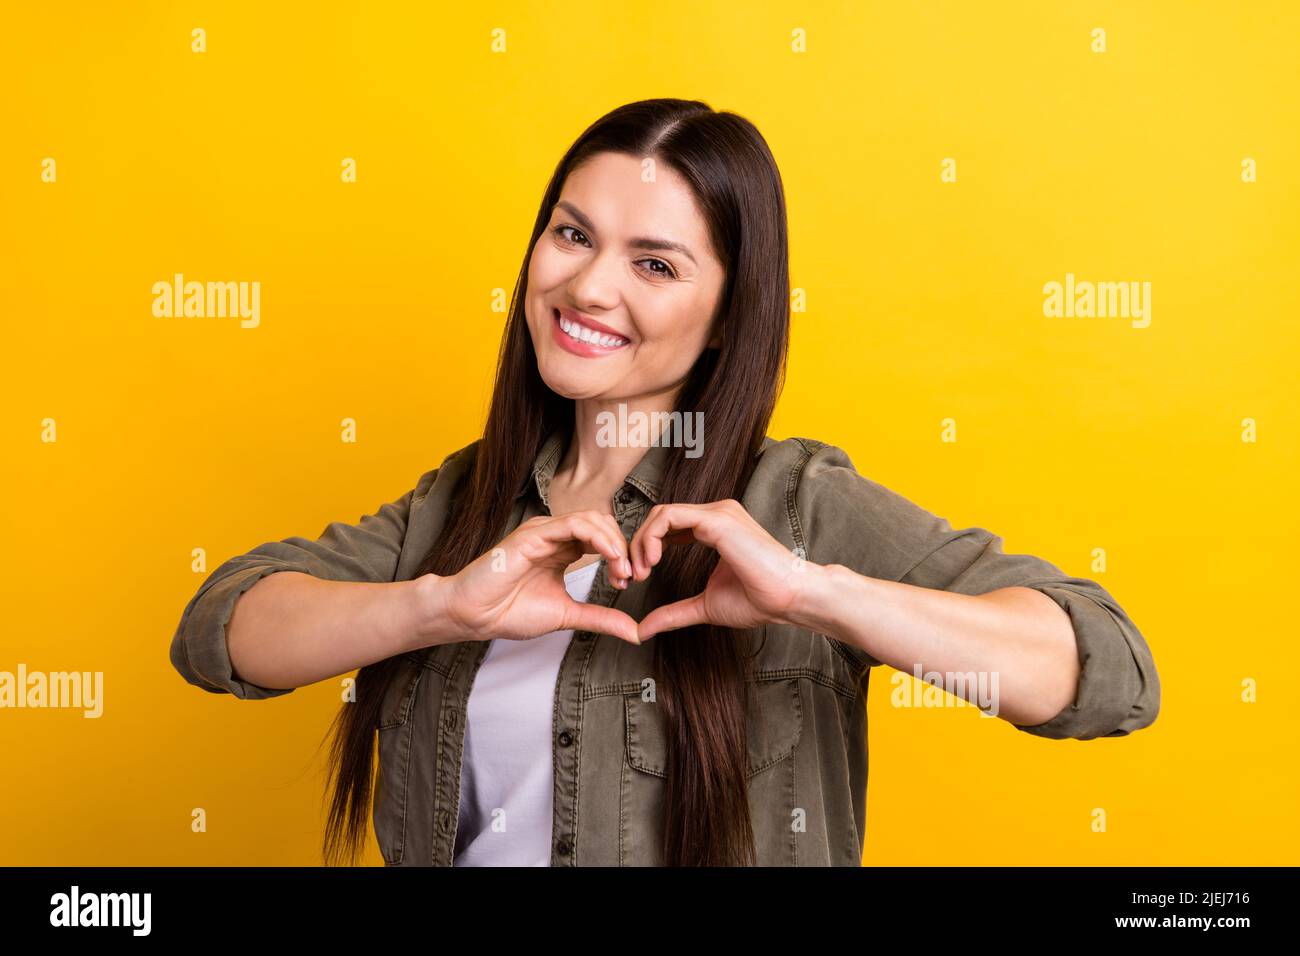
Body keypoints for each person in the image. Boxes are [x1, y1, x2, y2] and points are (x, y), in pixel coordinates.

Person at [169, 98, 1159, 868]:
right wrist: (437, 607)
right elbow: (221, 631)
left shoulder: (796, 503)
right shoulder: (465, 500)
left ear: (727, 317)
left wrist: (813, 593)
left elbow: (1105, 672)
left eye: (654, 264)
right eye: (572, 234)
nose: (588, 287)